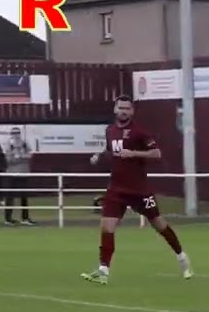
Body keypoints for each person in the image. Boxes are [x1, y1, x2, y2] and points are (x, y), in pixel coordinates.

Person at [81, 96, 191, 284]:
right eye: (120, 107)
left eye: (127, 108)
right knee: (107, 227)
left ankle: (182, 257)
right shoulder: (110, 130)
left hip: (139, 190)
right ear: (115, 110)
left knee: (159, 224)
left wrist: (134, 153)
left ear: (132, 111)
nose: (123, 111)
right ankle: (103, 271)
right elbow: (111, 150)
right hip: (116, 188)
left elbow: (156, 153)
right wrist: (98, 156)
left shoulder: (139, 133)